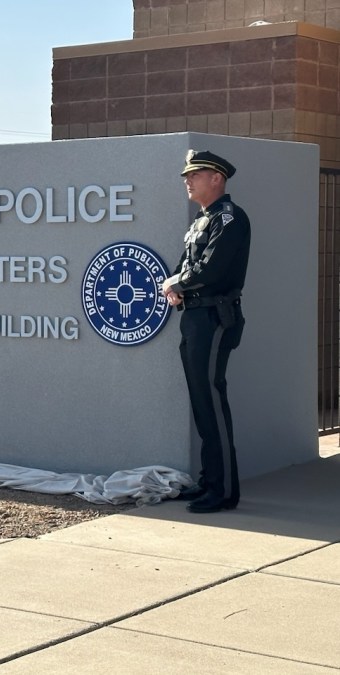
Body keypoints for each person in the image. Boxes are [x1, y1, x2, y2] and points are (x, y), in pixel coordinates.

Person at [161, 150, 251, 514]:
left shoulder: (230, 219)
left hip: (216, 317)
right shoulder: (202, 219)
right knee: (202, 403)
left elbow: (209, 269)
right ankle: (209, 480)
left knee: (212, 401)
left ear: (216, 178)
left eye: (194, 174)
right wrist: (177, 283)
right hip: (195, 317)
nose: (187, 180)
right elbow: (188, 263)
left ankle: (225, 490)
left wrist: (175, 283)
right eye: (187, 175)